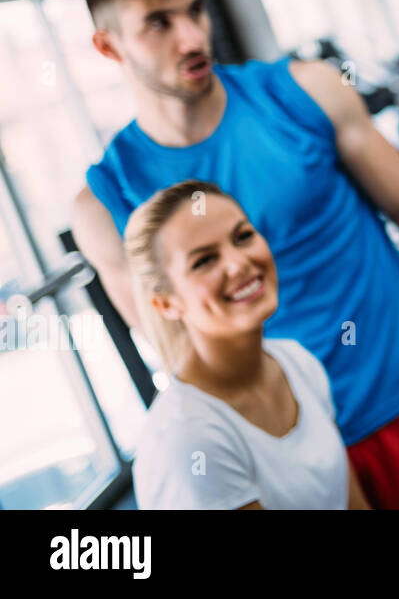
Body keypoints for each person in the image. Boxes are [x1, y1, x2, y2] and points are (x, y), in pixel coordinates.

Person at [69, 0, 399, 509]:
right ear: (108, 47)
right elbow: (177, 352)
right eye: (158, 23)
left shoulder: (304, 91)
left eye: (195, 10)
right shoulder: (107, 202)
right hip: (282, 453)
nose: (191, 37)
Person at [125, 180, 369, 509]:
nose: (238, 263)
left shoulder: (297, 362)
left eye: (243, 237)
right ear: (166, 304)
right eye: (204, 261)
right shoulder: (190, 440)